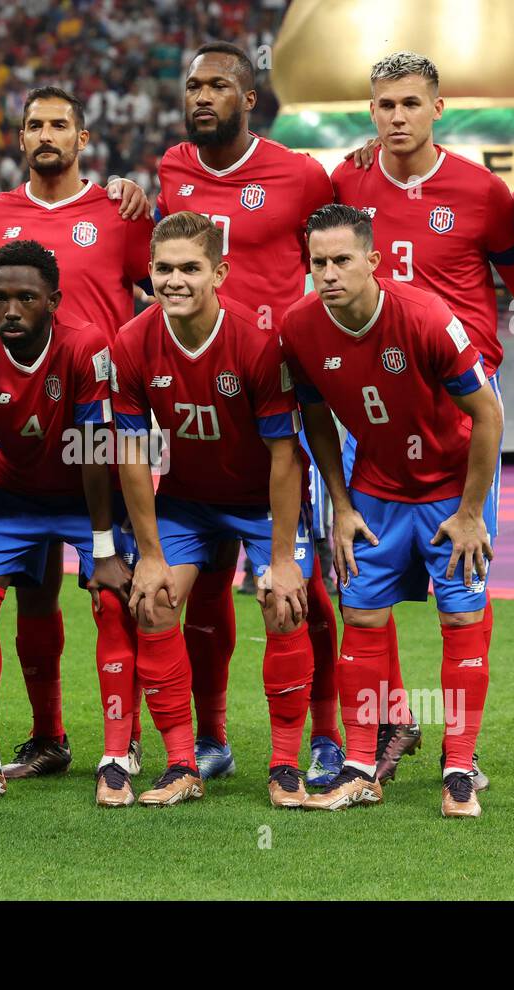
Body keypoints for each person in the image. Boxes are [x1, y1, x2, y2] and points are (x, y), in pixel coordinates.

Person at [334, 51, 514, 787]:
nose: (397, 117)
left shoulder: (483, 193)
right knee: (360, 588)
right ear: (370, 111)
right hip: (373, 415)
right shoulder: (347, 182)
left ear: (438, 107)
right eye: (384, 105)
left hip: (457, 415)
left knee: (460, 580)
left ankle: (461, 759)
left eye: (411, 104)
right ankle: (387, 728)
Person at [156, 41, 341, 785]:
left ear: (250, 98)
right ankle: (212, 737)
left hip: (282, 398)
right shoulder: (170, 170)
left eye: (219, 86)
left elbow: (339, 254)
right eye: (193, 85)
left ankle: (328, 734)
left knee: (304, 587)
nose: (203, 96)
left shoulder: (300, 173)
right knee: (202, 590)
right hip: (201, 402)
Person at [281, 204, 503, 817]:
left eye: (342, 260)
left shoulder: (426, 317)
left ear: (373, 261)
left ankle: (460, 766)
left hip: (447, 495)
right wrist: (341, 501)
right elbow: (315, 418)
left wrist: (471, 512)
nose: (327, 273)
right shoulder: (299, 327)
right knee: (365, 620)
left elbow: (489, 415)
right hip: (374, 492)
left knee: (460, 624)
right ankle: (358, 765)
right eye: (318, 262)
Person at [0, 85, 153, 780]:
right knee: (32, 593)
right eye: (34, 124)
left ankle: (128, 740)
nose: (46, 134)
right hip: (20, 432)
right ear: (20, 139)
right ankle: (49, 736)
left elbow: (158, 288)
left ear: (82, 138)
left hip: (106, 426)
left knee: (121, 587)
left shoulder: (119, 208)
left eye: (60, 125)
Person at [112, 212, 313, 809]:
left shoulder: (255, 342)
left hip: (260, 503)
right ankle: (181, 765)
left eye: (190, 268)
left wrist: (280, 557)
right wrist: (147, 555)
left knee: (284, 603)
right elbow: (127, 450)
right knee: (151, 603)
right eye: (163, 268)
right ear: (148, 272)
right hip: (186, 504)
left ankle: (284, 766)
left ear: (219, 272)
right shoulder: (129, 343)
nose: (174, 280)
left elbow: (285, 456)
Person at [0, 240, 140, 806]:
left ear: (53, 300)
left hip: (84, 492)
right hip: (14, 493)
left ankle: (118, 757)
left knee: (110, 598)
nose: (9, 310)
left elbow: (96, 448)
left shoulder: (85, 346)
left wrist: (103, 548)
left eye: (25, 298)